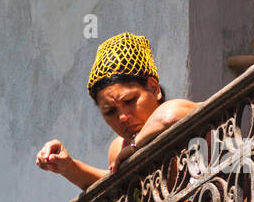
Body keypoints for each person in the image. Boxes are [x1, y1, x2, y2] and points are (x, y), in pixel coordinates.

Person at [36, 32, 201, 190]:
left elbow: (168, 118)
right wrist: (67, 167)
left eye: (129, 101)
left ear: (154, 88)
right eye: (110, 111)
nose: (122, 117)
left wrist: (134, 147)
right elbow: (112, 186)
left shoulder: (177, 109)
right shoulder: (119, 148)